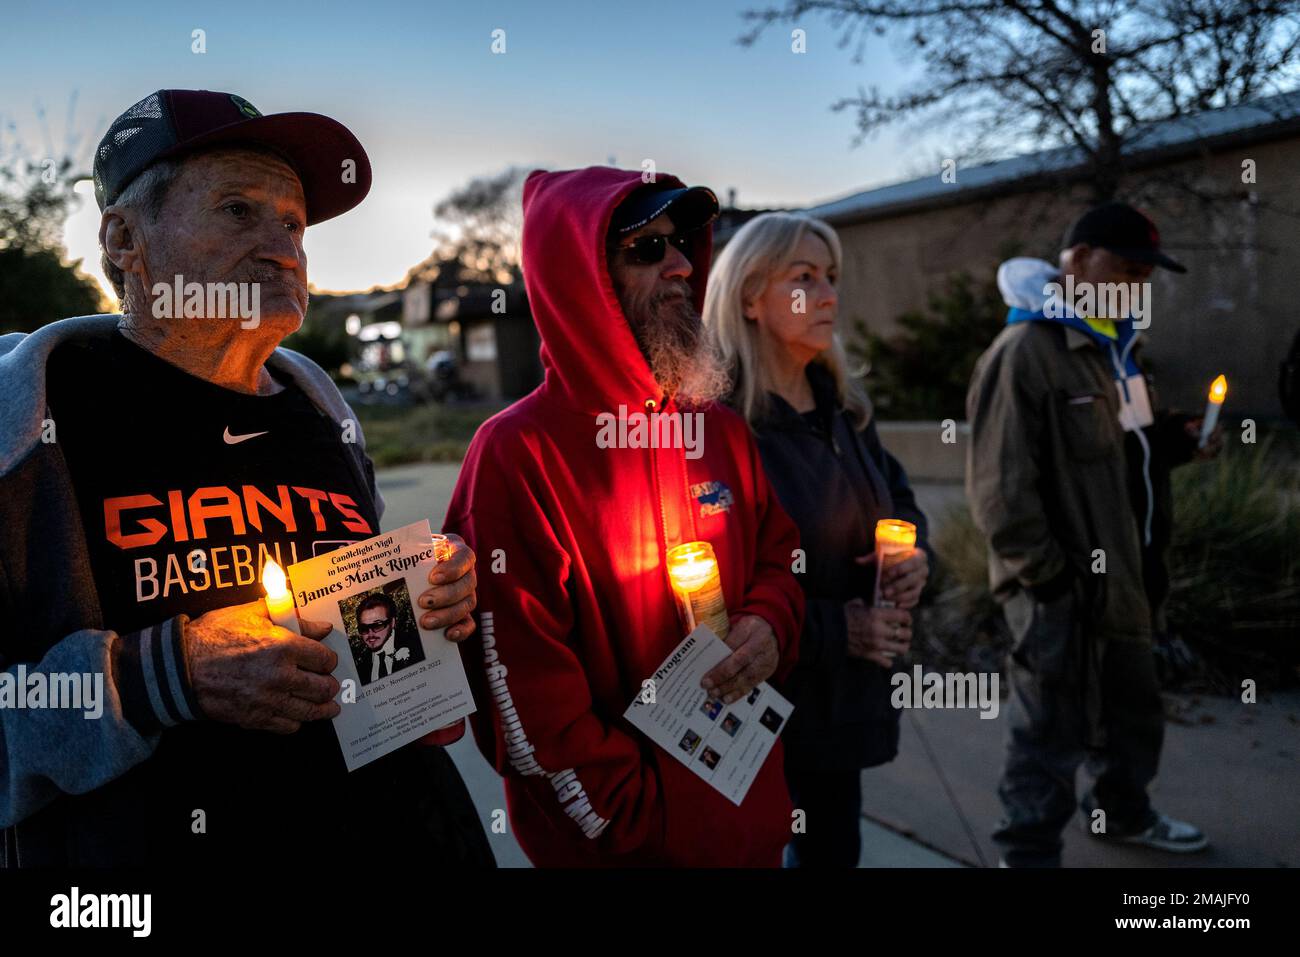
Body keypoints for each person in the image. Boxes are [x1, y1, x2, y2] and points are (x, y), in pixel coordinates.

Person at [0, 89, 491, 867]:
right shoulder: (32, 427)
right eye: (237, 210)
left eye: (293, 223)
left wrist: (428, 603)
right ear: (126, 238)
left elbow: (365, 638)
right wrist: (160, 676)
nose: (283, 248)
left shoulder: (317, 410)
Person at [444, 167, 805, 867]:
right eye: (645, 249)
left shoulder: (721, 430)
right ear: (580, 279)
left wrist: (770, 620)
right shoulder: (517, 453)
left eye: (680, 245)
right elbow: (525, 702)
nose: (680, 265)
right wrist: (649, 825)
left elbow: (780, 554)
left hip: (755, 827)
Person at [966, 201, 1223, 868]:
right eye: (1127, 270)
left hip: (1131, 576)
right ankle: (1026, 855)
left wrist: (1177, 440)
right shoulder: (1024, 353)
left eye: (1145, 275)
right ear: (1078, 261)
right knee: (1050, 726)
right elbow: (1000, 488)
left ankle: (1121, 812)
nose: (1138, 286)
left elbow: (1129, 444)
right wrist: (1050, 581)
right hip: (1063, 587)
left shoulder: (1117, 349)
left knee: (1131, 712)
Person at [704, 212, 930, 867]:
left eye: (832, 277)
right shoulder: (721, 430)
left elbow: (901, 500)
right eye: (804, 278)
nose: (829, 294)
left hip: (848, 707)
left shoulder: (845, 407)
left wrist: (914, 555)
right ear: (750, 296)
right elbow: (721, 591)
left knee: (837, 852)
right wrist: (839, 628)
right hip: (768, 718)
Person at [354, 592, 424, 685]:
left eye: (378, 625)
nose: (370, 634)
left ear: (392, 622)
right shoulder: (360, 667)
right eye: (364, 628)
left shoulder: (418, 646)